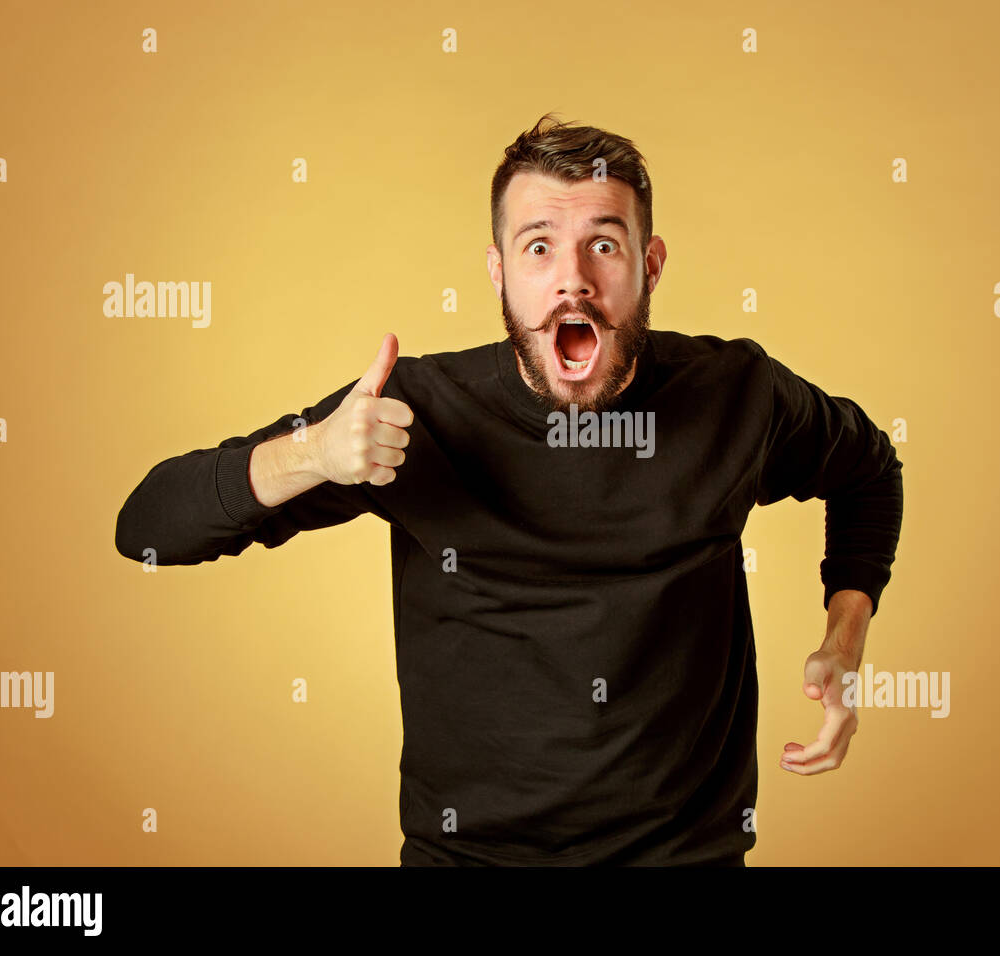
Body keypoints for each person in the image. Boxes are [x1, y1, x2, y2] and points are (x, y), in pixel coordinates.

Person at [115, 113, 904, 866]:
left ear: (650, 264)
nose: (573, 281)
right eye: (538, 248)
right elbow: (146, 526)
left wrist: (844, 638)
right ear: (497, 270)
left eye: (604, 244)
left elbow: (869, 471)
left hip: (687, 858)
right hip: (469, 860)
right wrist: (310, 455)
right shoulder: (416, 411)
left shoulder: (736, 396)